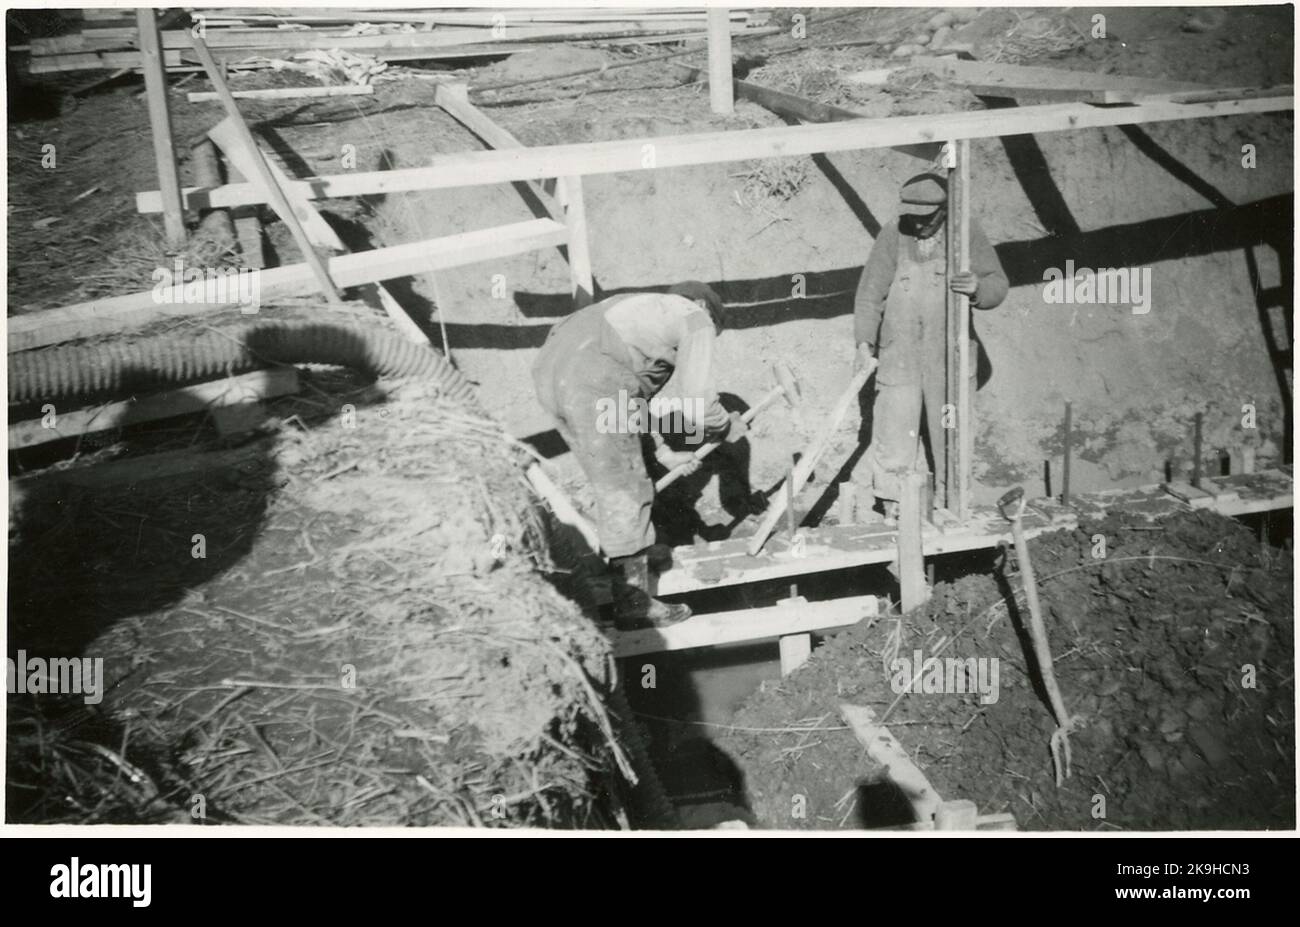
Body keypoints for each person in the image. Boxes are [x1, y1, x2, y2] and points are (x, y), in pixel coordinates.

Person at [533, 282, 745, 629]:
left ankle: (634, 557)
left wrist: (663, 451)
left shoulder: (636, 309)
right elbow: (699, 402)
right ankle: (633, 601)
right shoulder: (695, 317)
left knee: (612, 474)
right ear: (705, 308)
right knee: (624, 484)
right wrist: (725, 426)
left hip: (553, 374)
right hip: (593, 379)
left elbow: (634, 402)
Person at [849, 173, 1008, 521]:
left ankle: (955, 501)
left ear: (943, 211)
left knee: (949, 427)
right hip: (899, 354)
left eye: (926, 218)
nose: (917, 224)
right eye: (912, 216)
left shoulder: (965, 233)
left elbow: (998, 284)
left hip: (947, 356)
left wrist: (977, 286)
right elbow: (869, 294)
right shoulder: (894, 232)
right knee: (894, 425)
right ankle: (892, 504)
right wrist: (865, 342)